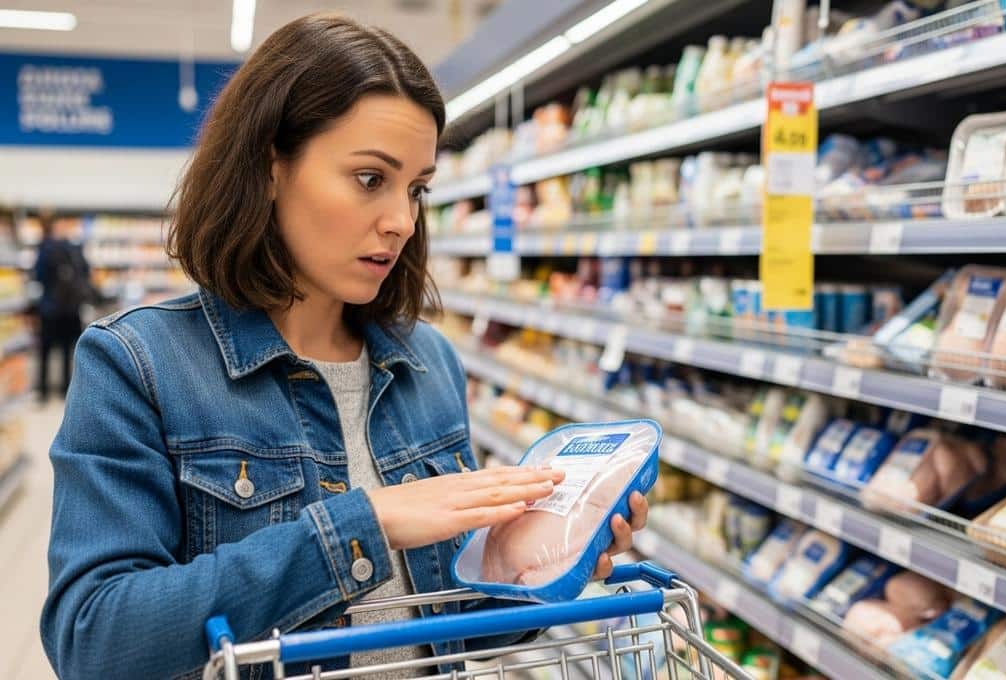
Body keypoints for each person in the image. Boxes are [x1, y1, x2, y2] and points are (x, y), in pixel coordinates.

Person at [40, 13, 649, 679]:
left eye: (416, 189)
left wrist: (534, 566)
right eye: (369, 179)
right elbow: (94, 639)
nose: (402, 222)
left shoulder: (427, 363)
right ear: (270, 169)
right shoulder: (139, 366)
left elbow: (451, 627)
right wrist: (364, 524)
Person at [31, 213, 91, 403]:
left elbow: (38, 275)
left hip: (49, 307)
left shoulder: (45, 248)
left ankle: (43, 391)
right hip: (71, 308)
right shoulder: (75, 248)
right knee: (67, 350)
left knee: (45, 350)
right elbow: (86, 273)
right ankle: (66, 389)